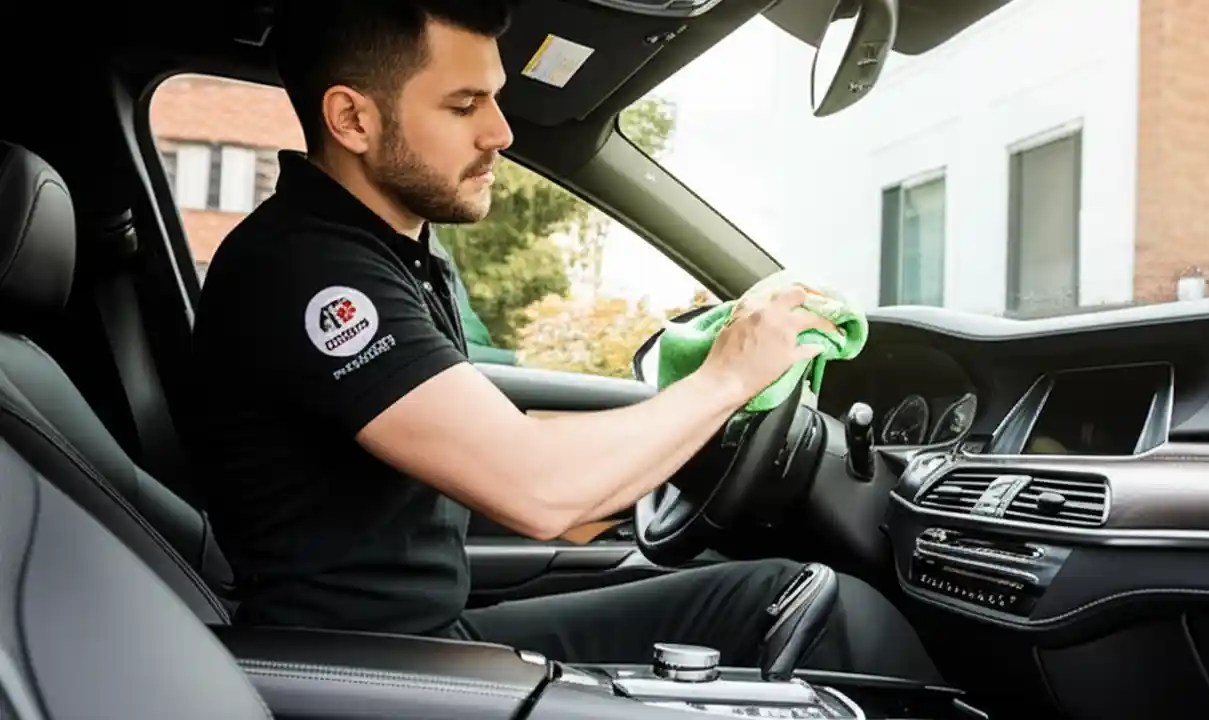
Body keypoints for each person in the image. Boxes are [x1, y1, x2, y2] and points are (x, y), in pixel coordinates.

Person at [188, 0, 941, 682]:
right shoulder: (312, 272)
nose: (501, 132)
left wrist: (665, 455)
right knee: (819, 610)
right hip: (368, 675)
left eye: (495, 97)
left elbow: (505, 450)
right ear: (353, 120)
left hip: (410, 646)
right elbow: (539, 491)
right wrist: (724, 379)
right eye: (463, 105)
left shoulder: (385, 255)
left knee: (777, 597)